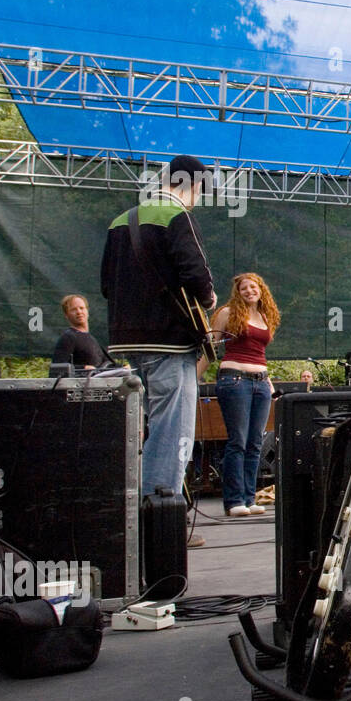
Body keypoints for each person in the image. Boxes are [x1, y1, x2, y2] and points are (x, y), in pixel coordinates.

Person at [102, 154, 215, 546]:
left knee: (151, 430)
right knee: (173, 431)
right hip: (168, 340)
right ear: (194, 186)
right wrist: (210, 300)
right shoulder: (176, 216)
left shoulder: (121, 219)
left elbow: (105, 283)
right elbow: (196, 273)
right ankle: (160, 523)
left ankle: (141, 513)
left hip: (129, 341)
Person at [207, 272, 280, 517]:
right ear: (238, 293)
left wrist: (268, 383)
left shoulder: (265, 316)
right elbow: (211, 347)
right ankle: (234, 500)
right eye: (243, 288)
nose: (249, 291)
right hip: (235, 379)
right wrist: (196, 375)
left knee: (255, 442)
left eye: (253, 286)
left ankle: (249, 498)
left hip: (260, 382)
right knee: (237, 441)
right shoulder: (227, 314)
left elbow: (259, 352)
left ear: (261, 289)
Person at [51, 294, 111, 372]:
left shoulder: (91, 339)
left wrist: (122, 367)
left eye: (82, 308)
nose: (79, 312)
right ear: (66, 315)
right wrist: (83, 368)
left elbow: (106, 365)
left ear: (87, 311)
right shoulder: (68, 337)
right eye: (74, 309)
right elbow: (57, 368)